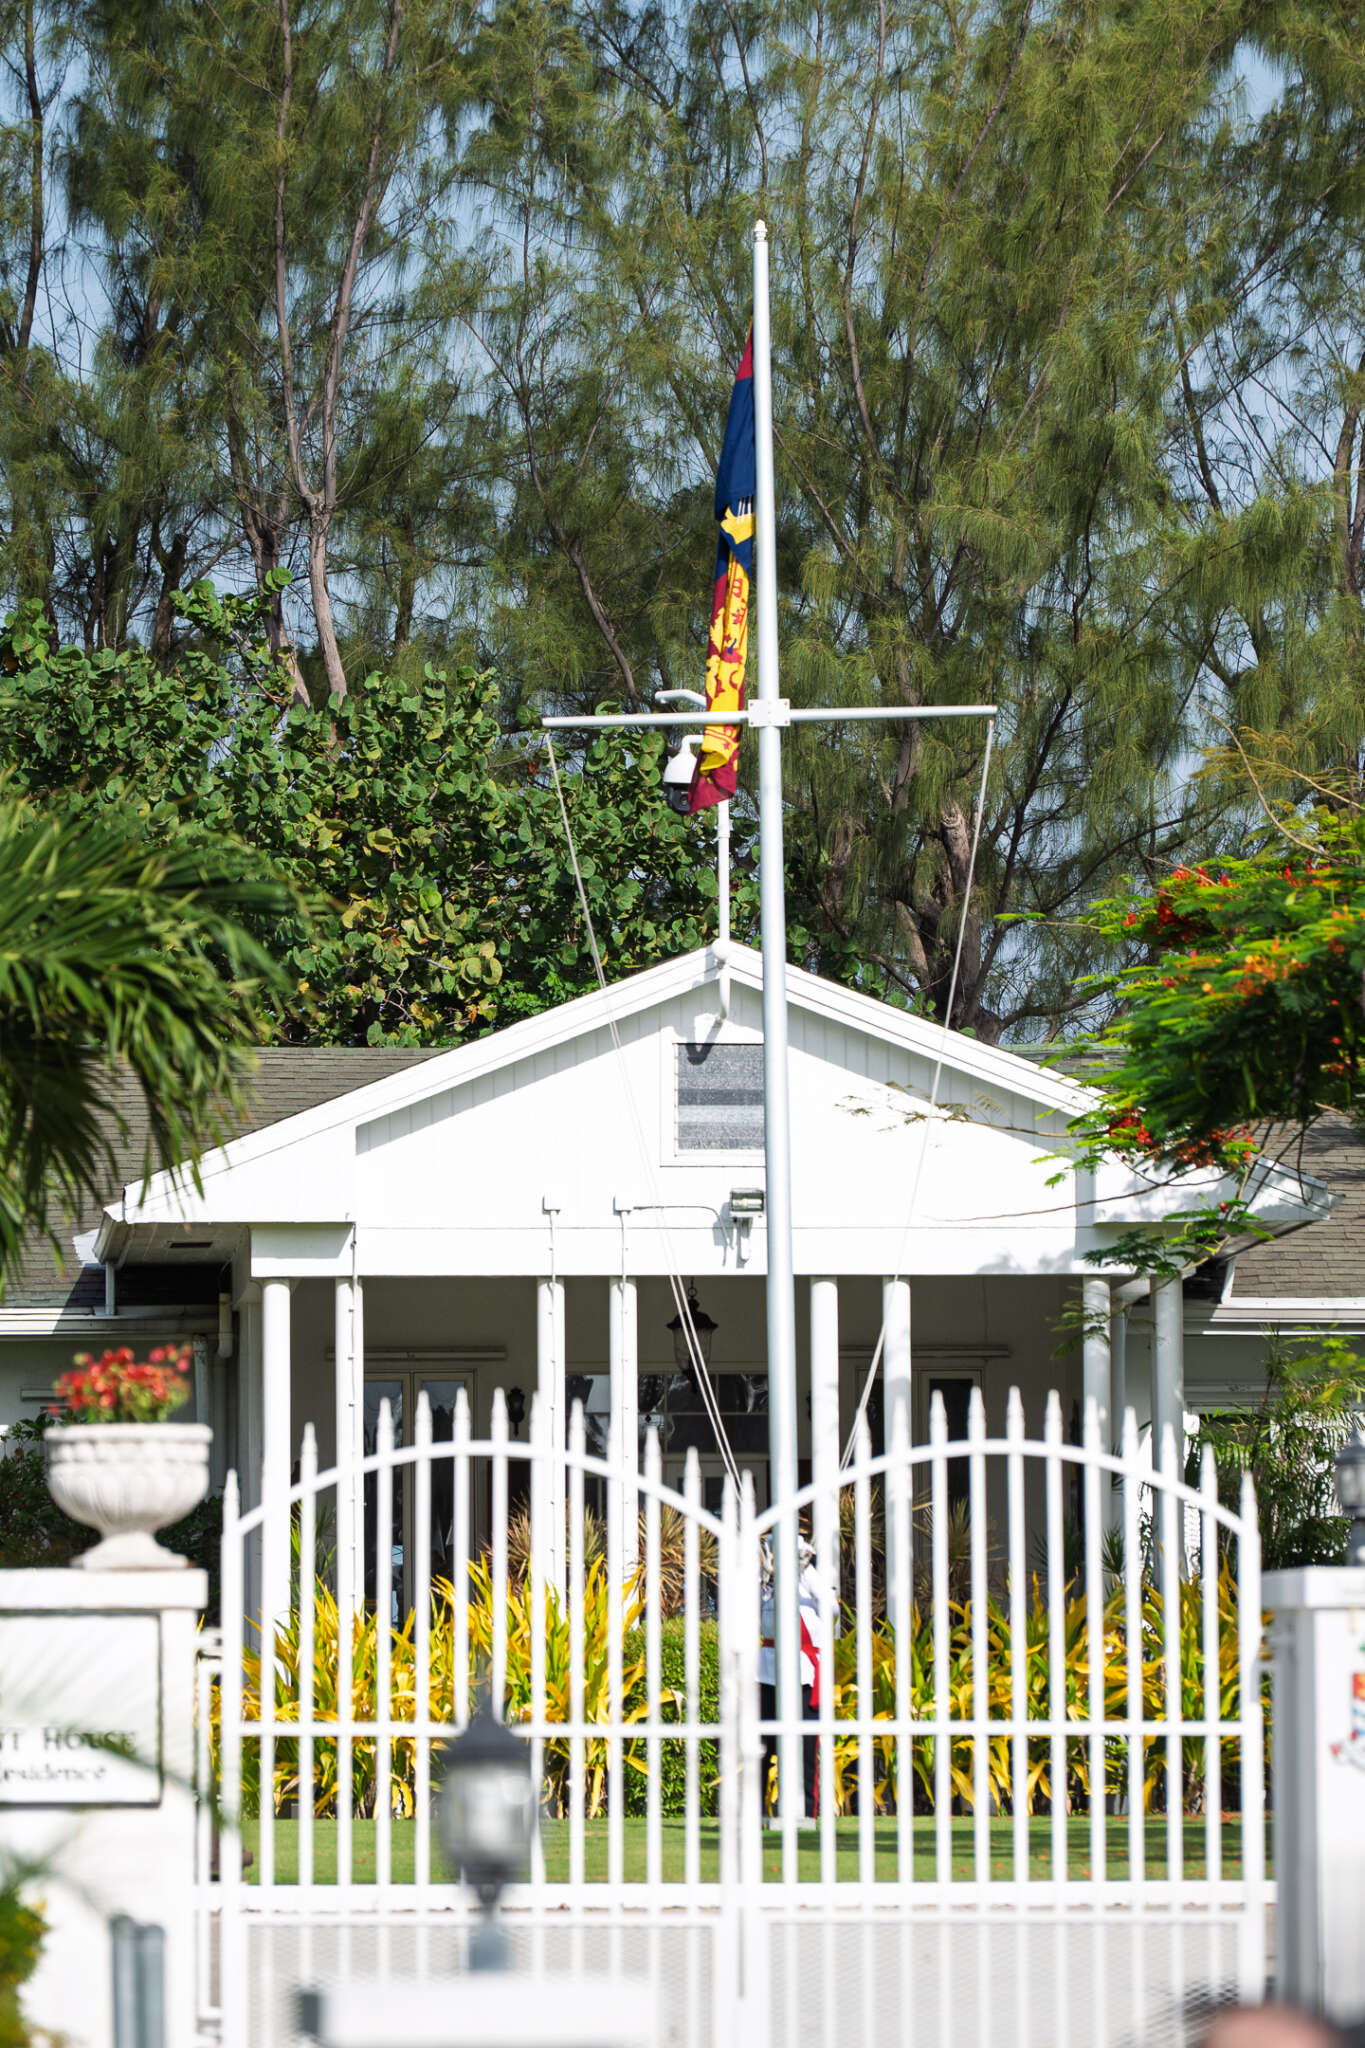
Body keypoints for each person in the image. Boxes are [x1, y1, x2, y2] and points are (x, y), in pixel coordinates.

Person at [759, 1523, 834, 1818]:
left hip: (803, 1672)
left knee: (805, 1748)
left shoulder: (809, 1581)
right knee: (763, 1746)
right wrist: (763, 1574)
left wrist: (806, 1569)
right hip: (767, 1671)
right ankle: (756, 1814)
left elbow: (832, 1608)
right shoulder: (765, 1580)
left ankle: (807, 1812)